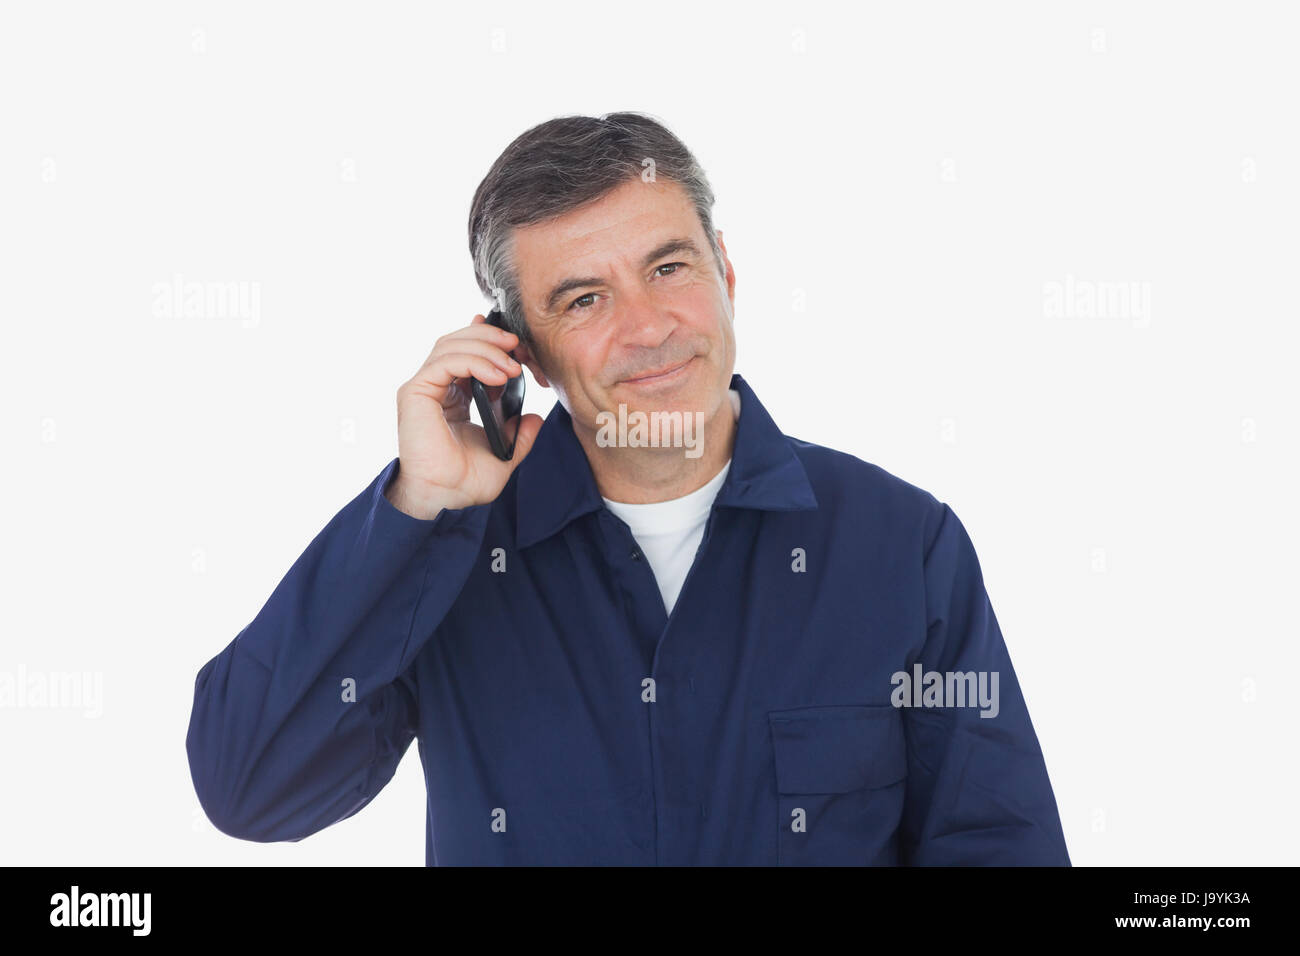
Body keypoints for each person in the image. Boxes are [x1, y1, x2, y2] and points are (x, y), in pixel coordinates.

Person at [186, 111, 1071, 866]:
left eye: (670, 268)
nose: (648, 328)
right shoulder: (449, 556)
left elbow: (998, 846)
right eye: (582, 300)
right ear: (518, 352)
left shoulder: (902, 545)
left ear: (726, 274)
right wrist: (418, 507)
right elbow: (250, 787)